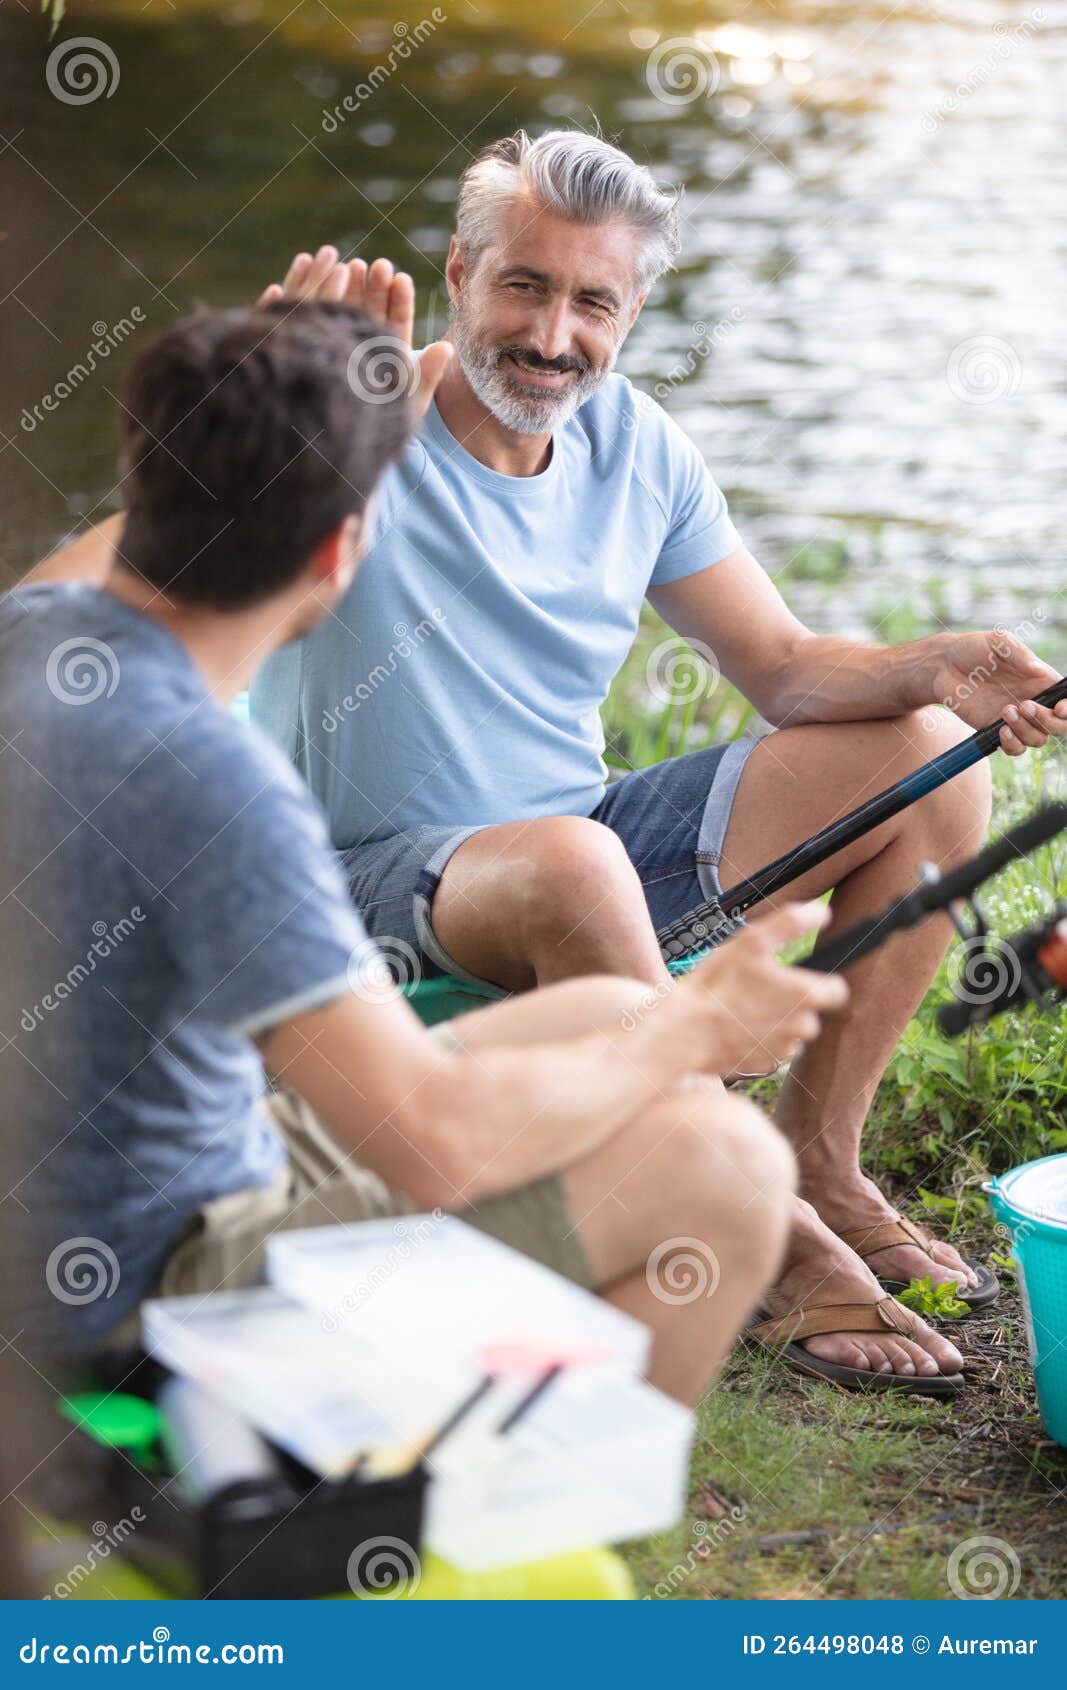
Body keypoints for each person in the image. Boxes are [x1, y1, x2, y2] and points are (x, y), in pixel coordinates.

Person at [238, 129, 1066, 1388]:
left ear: (628, 312)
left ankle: (817, 1164)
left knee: (933, 753)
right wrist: (282, 417)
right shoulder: (363, 421)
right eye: (523, 285)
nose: (552, 335)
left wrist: (936, 667)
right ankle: (771, 1244)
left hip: (574, 851)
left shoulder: (637, 446)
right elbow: (213, 572)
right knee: (574, 864)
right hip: (363, 887)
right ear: (459, 275)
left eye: (592, 301)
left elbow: (782, 664)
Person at [2, 296, 851, 1407]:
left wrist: (276, 380)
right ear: (343, 548)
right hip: (140, 1293)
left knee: (608, 1016)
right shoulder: (219, 788)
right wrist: (699, 1025)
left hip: (147, 1166)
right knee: (726, 1163)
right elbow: (435, 1150)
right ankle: (463, 1522)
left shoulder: (37, 636)